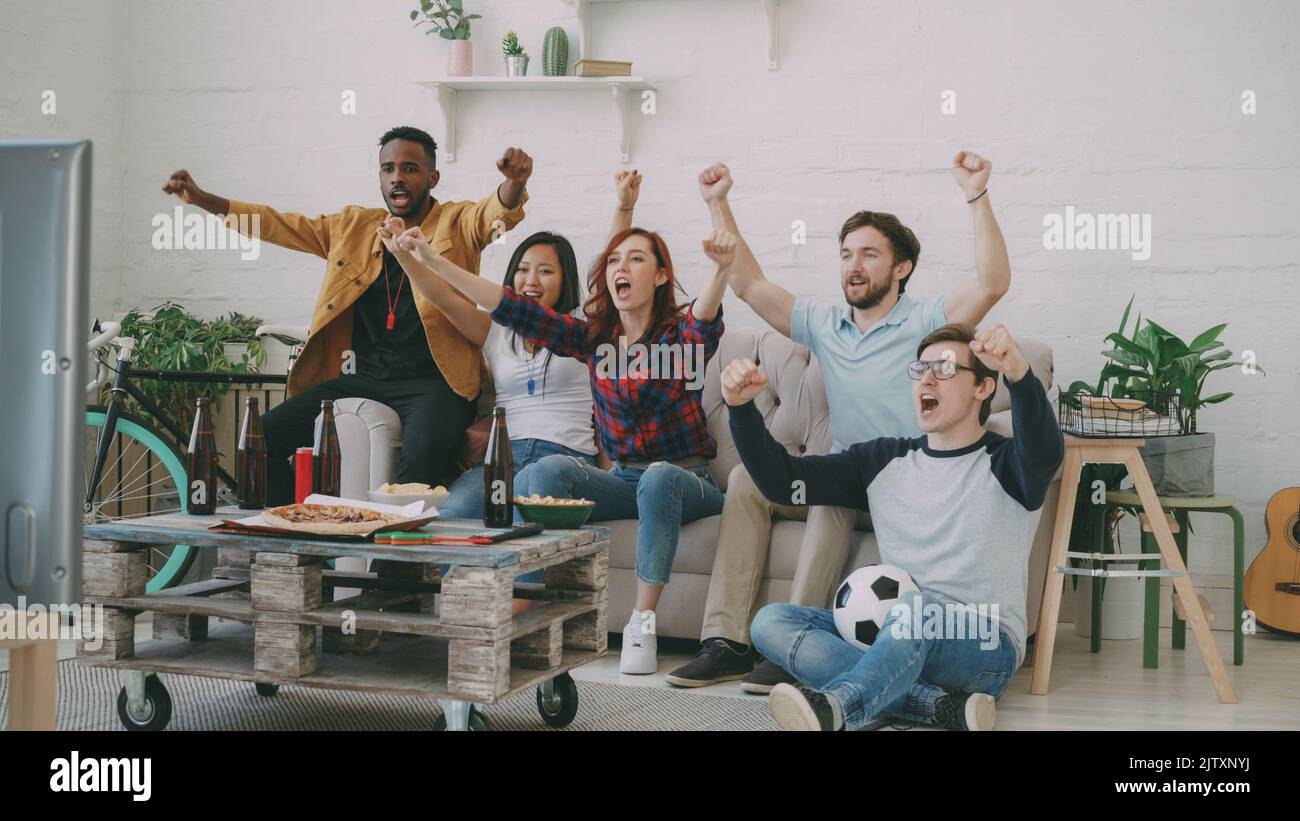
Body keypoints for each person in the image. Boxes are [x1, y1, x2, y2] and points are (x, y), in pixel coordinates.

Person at [667, 153, 1015, 692]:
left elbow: (993, 282)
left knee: (830, 498)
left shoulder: (927, 320)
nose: (854, 266)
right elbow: (750, 285)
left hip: (897, 484)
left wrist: (976, 196)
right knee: (744, 481)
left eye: (870, 255)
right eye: (847, 254)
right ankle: (727, 642)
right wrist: (718, 203)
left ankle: (795, 656)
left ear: (901, 268)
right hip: (850, 472)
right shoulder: (826, 325)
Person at [385, 170, 733, 675]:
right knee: (545, 478)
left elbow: (703, 319)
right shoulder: (594, 338)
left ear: (659, 276)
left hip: (688, 479)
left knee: (658, 476)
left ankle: (642, 623)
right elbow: (506, 306)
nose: (622, 267)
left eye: (637, 260)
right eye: (615, 260)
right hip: (623, 479)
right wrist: (431, 258)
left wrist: (720, 269)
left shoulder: (677, 337)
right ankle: (511, 608)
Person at [162, 126, 533, 503]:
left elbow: (492, 215)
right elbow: (278, 225)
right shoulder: (352, 227)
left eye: (410, 168)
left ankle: (395, 563)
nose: (397, 178)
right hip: (361, 377)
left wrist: (514, 183)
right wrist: (203, 199)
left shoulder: (456, 223)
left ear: (432, 177)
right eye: (388, 169)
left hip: (435, 383)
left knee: (417, 468)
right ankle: (297, 533)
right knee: (261, 437)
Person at [724, 323, 1064, 731]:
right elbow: (784, 483)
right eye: (921, 368)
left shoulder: (1010, 464)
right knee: (771, 622)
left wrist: (1018, 371)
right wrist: (741, 409)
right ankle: (937, 708)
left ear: (983, 388)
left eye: (945, 368)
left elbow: (1046, 449)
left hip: (986, 646)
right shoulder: (882, 461)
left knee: (913, 609)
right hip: (896, 629)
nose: (927, 377)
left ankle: (839, 707)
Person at [377, 222, 596, 614]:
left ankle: (513, 615)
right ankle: (462, 610)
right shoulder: (497, 331)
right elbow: (443, 299)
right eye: (523, 269)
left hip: (562, 457)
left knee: (521, 512)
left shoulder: (585, 330)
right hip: (501, 458)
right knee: (451, 516)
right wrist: (403, 256)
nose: (531, 279)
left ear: (566, 280)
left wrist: (624, 206)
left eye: (545, 271)